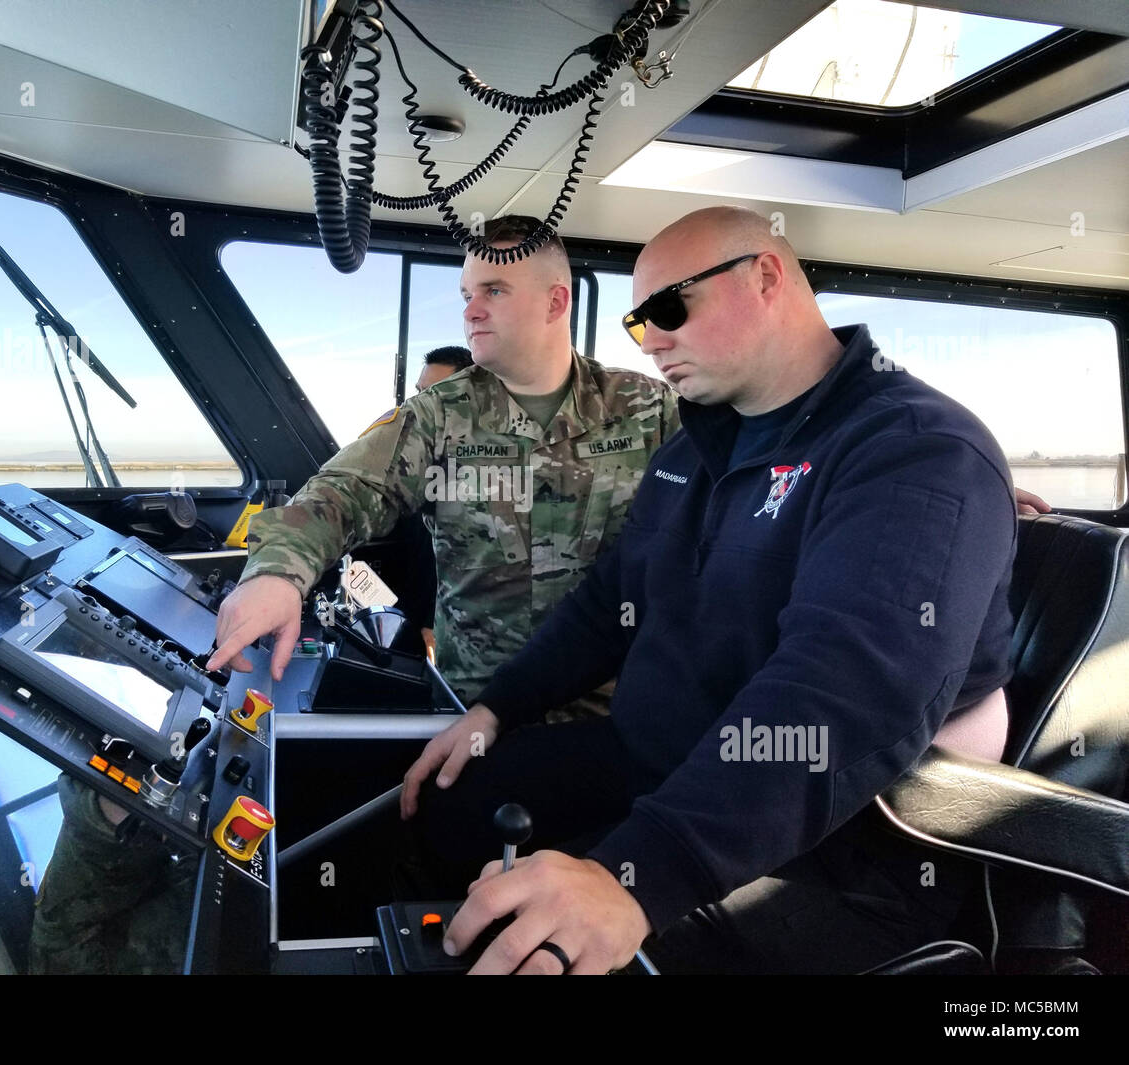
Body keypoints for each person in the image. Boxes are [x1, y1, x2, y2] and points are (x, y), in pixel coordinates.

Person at [400, 205, 1019, 975]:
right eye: (638, 323)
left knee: (536, 943)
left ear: (766, 277)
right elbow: (607, 603)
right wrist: (497, 707)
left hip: (826, 846)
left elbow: (843, 688)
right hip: (652, 754)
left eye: (670, 307)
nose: (652, 338)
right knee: (448, 806)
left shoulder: (915, 451)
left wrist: (641, 876)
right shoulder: (696, 447)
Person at [206, 216, 679, 719]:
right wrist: (276, 575)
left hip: (619, 707)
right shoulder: (437, 416)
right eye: (465, 295)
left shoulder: (648, 408)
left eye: (493, 291)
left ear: (556, 301)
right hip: (474, 711)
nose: (471, 311)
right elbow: (341, 494)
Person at [399, 344, 475, 658]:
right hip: (413, 613)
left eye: (432, 394)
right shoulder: (420, 454)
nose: (418, 405)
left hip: (451, 628)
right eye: (418, 392)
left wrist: (429, 623)